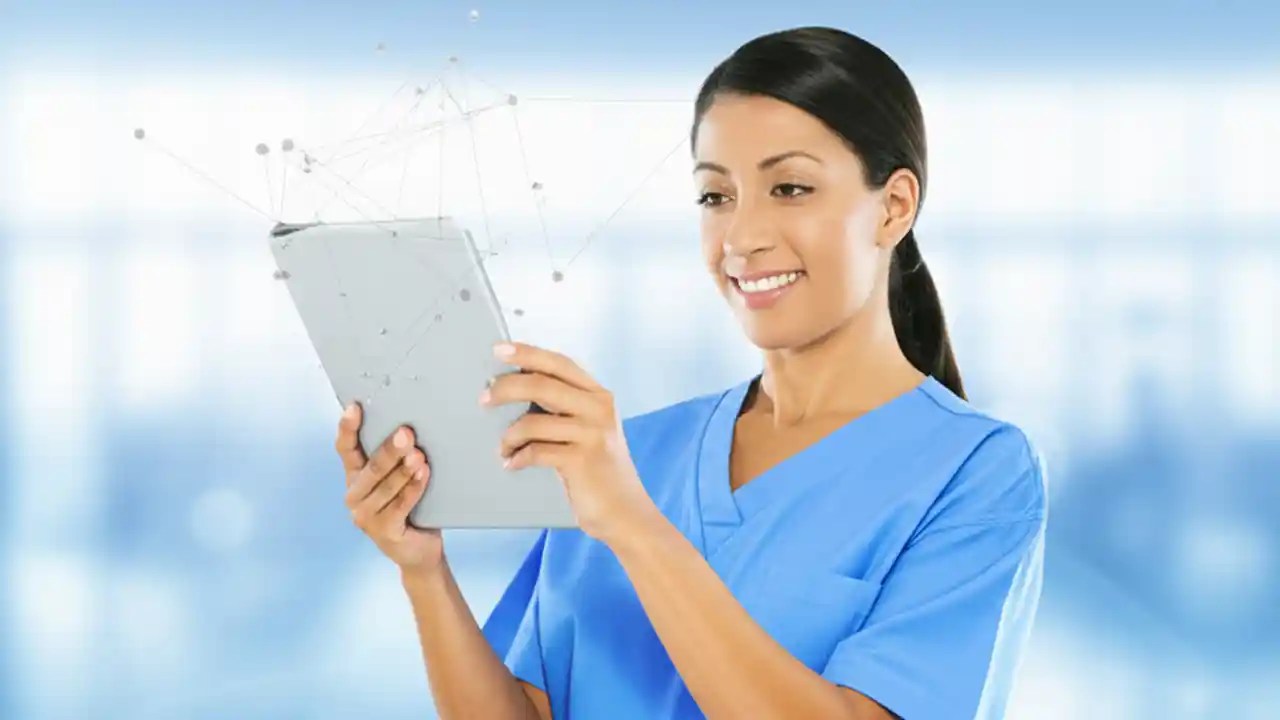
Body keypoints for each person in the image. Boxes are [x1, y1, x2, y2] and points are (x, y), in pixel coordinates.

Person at [334, 25, 1047, 720]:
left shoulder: (976, 472)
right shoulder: (624, 454)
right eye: (716, 196)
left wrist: (634, 525)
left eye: (791, 188)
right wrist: (422, 569)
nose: (742, 236)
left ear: (893, 207)